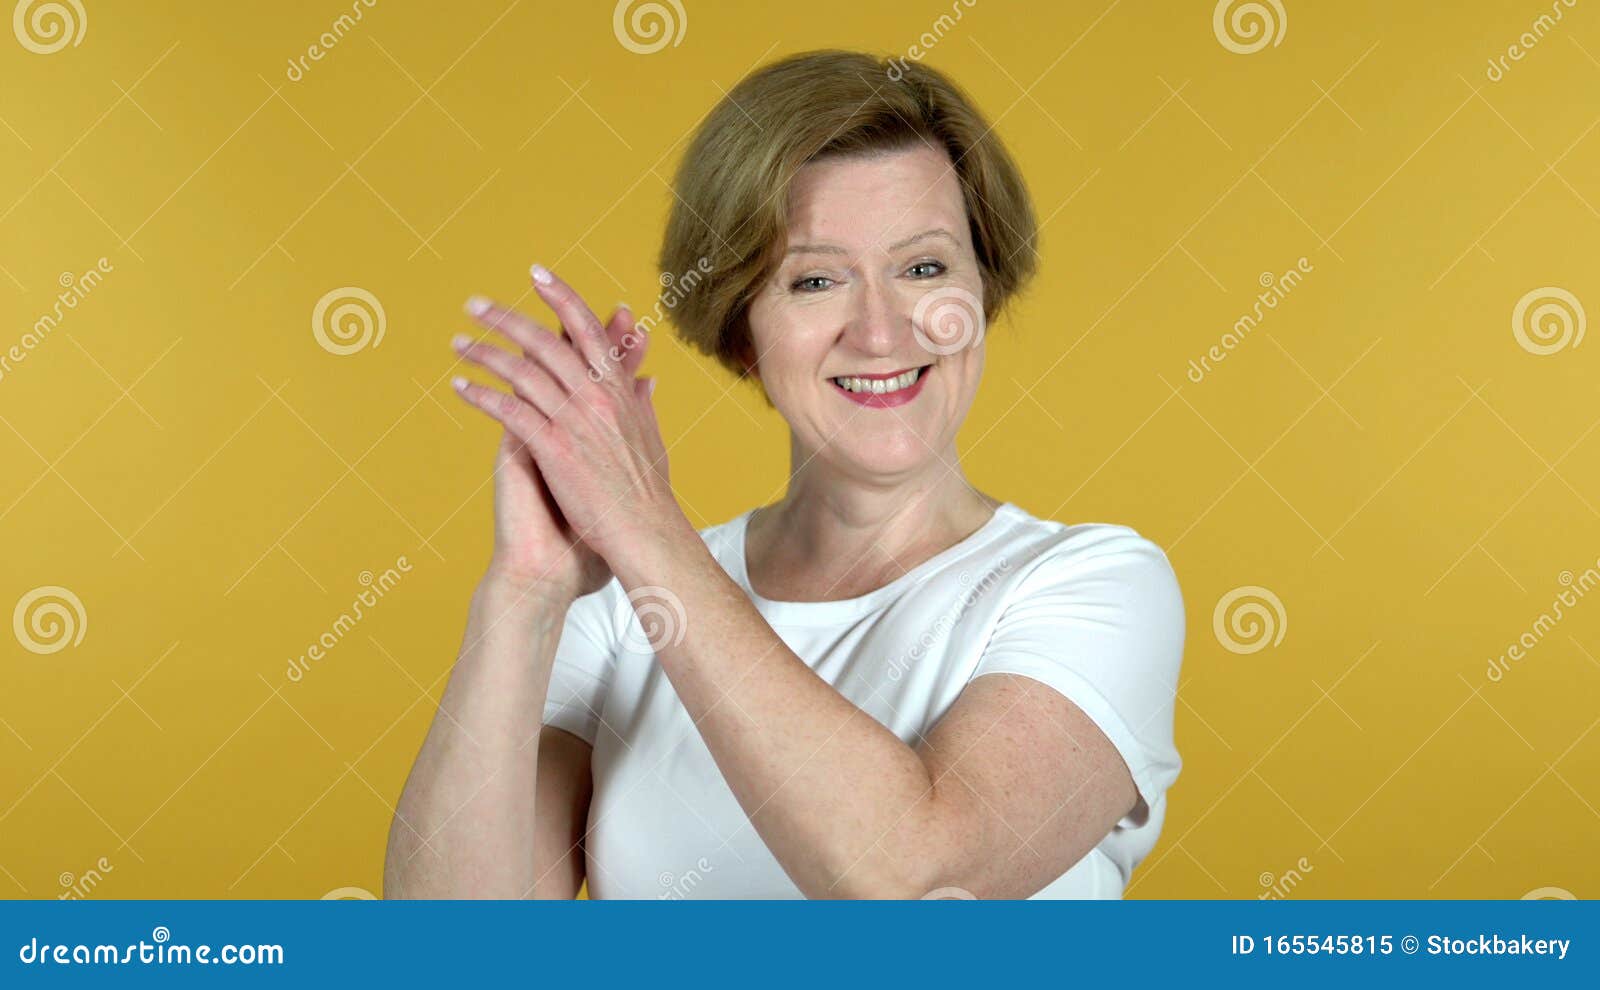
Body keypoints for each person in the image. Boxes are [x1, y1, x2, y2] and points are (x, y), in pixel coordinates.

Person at [384, 49, 1184, 900]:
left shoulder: (1094, 586)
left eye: (923, 268)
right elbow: (452, 947)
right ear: (742, 333)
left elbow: (916, 878)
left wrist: (647, 530)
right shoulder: (619, 615)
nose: (881, 333)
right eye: (815, 280)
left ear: (980, 297)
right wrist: (526, 593)